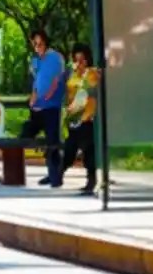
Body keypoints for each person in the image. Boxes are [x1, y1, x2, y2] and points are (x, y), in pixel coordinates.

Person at [21, 29, 65, 187]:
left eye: (40, 43)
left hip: (51, 107)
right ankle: (18, 165)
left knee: (52, 141)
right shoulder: (36, 60)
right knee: (26, 132)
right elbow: (36, 81)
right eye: (35, 44)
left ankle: (55, 177)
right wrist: (34, 98)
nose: (37, 46)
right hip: (38, 107)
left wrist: (46, 97)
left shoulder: (55, 58)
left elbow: (56, 80)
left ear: (45, 42)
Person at [57, 42, 100, 195]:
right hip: (73, 119)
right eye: (76, 60)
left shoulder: (92, 74)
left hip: (87, 119)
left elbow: (85, 92)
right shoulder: (72, 75)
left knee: (88, 151)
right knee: (69, 149)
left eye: (82, 60)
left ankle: (91, 180)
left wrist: (72, 108)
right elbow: (67, 94)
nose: (79, 63)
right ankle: (59, 173)